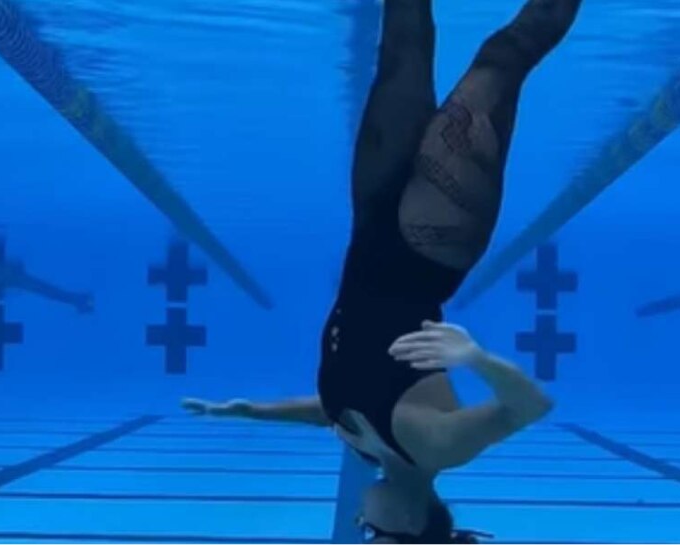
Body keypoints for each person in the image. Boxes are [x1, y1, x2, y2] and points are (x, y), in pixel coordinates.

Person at [182, 0, 582, 541]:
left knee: (402, 47)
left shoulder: (367, 443)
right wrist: (476, 358)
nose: (361, 524)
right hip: (430, 246)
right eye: (376, 536)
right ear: (414, 522)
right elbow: (528, 408)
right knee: (502, 60)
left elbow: (333, 408)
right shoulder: (436, 446)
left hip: (371, 228)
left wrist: (249, 411)